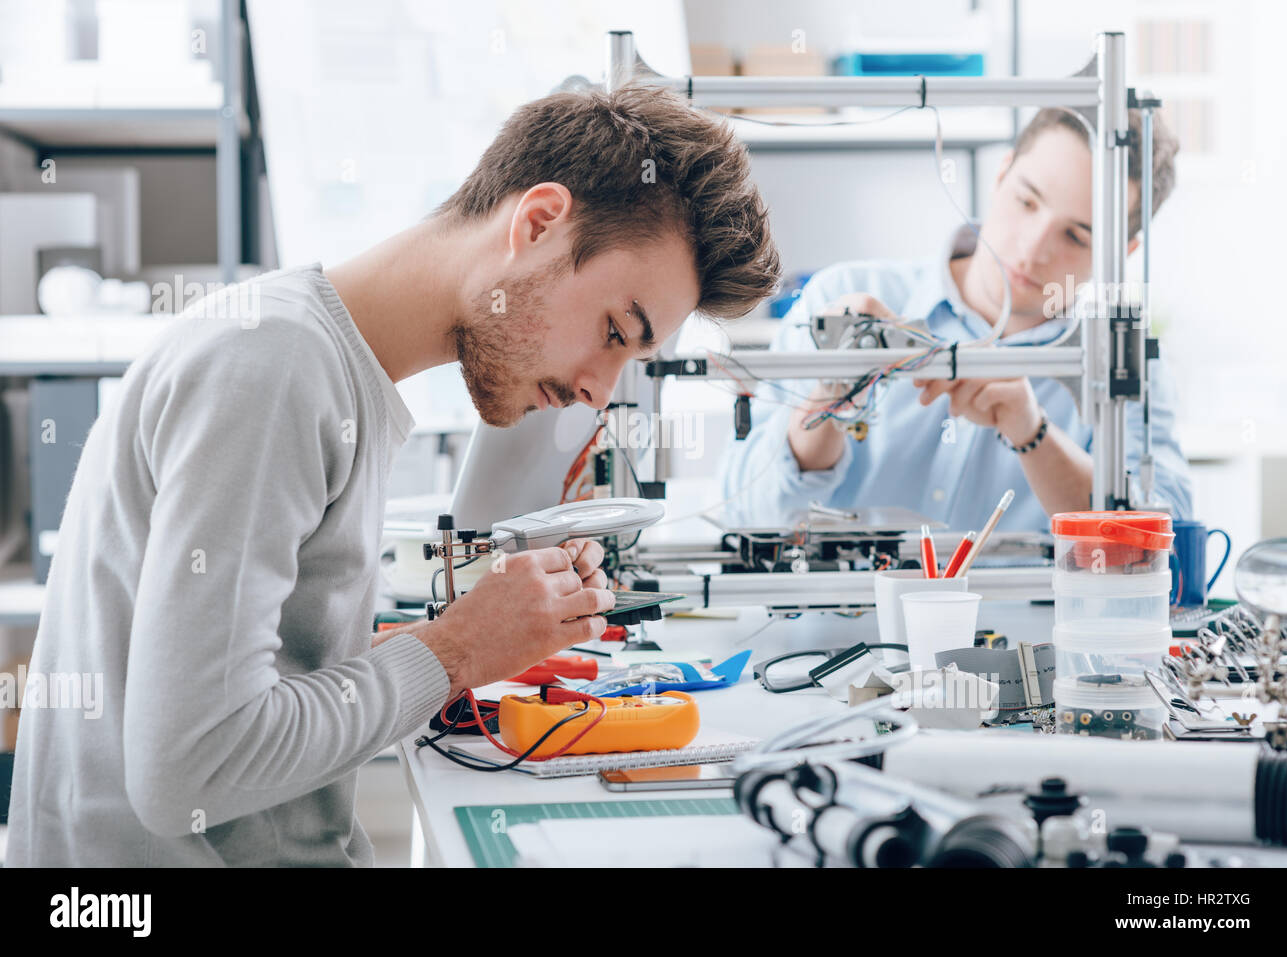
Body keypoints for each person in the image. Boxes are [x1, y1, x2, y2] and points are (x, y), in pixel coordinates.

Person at [7, 85, 780, 866]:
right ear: (538, 223)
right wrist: (454, 650)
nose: (598, 391)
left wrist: (474, 638)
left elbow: (259, 686)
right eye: (615, 331)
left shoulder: (327, 369)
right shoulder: (274, 367)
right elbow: (188, 768)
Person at [720, 104, 1192, 533]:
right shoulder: (841, 297)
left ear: (1122, 252)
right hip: (837, 626)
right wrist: (825, 401)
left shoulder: (1129, 365)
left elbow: (1158, 546)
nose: (1032, 249)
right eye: (1027, 202)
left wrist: (1034, 435)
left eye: (1076, 235)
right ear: (1002, 173)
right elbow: (743, 515)